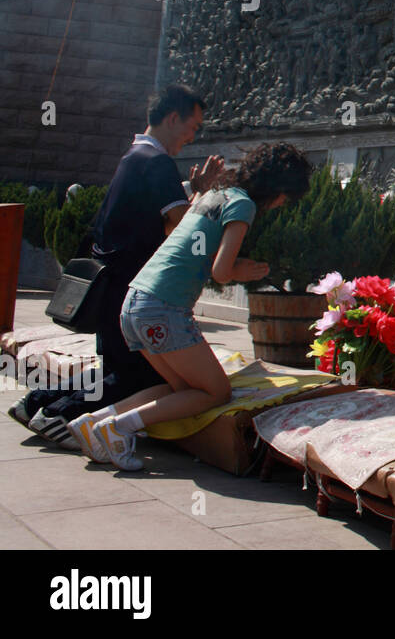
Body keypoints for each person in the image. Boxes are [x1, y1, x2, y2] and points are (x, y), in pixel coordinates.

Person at [68, 142, 311, 471]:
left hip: (135, 301)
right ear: (279, 187)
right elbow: (221, 272)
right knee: (215, 392)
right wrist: (245, 270)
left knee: (181, 390)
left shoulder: (216, 192)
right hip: (163, 310)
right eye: (287, 196)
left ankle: (98, 419)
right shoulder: (243, 206)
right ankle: (118, 427)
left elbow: (182, 239)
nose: (283, 204)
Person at [11, 85, 224, 447]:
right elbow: (179, 225)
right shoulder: (157, 163)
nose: (192, 137)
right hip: (131, 288)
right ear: (173, 119)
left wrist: (193, 187)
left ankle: (35, 401)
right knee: (137, 377)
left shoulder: (136, 156)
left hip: (112, 287)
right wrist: (209, 203)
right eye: (193, 126)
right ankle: (59, 416)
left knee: (115, 370)